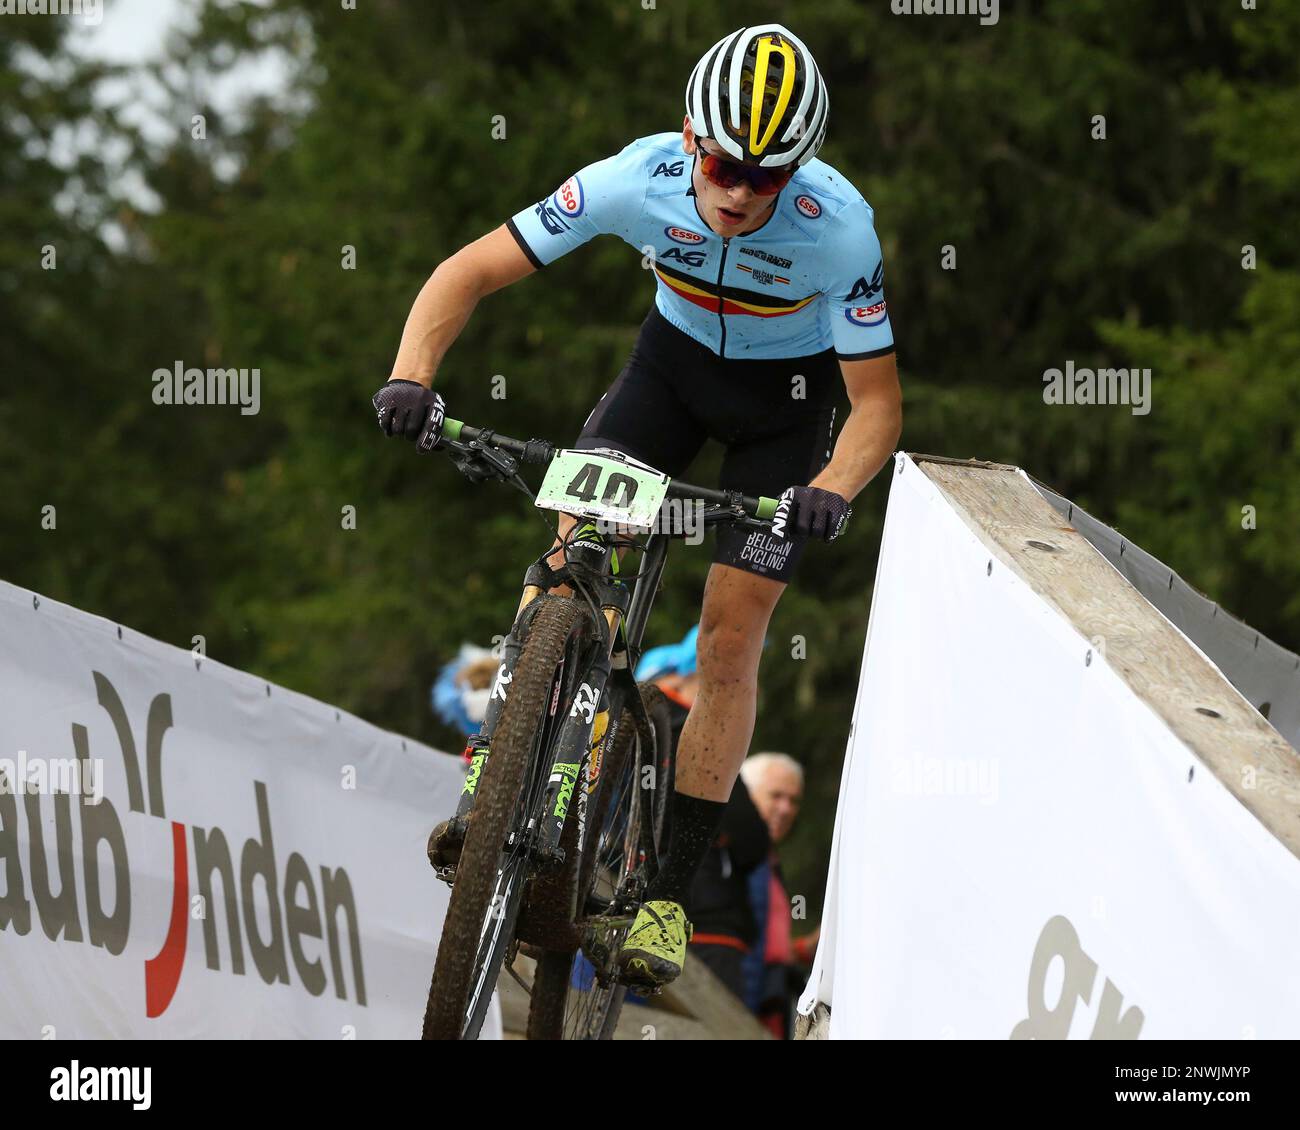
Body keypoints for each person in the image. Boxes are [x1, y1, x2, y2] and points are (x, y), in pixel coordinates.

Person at [373, 24, 901, 990]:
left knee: (729, 642)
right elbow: (471, 269)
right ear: (690, 140)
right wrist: (414, 377)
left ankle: (662, 893)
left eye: (766, 175)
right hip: (666, 378)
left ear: (799, 173)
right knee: (572, 548)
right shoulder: (634, 178)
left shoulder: (840, 231)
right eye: (722, 163)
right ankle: (502, 770)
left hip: (784, 417)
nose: (738, 189)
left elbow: (876, 407)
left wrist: (831, 488)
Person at [740, 752, 819, 1037]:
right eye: (776, 796)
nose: (786, 809)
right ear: (746, 795)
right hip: (725, 1008)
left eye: (793, 800)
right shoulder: (728, 856)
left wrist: (801, 950)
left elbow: (759, 942)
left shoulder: (768, 862)